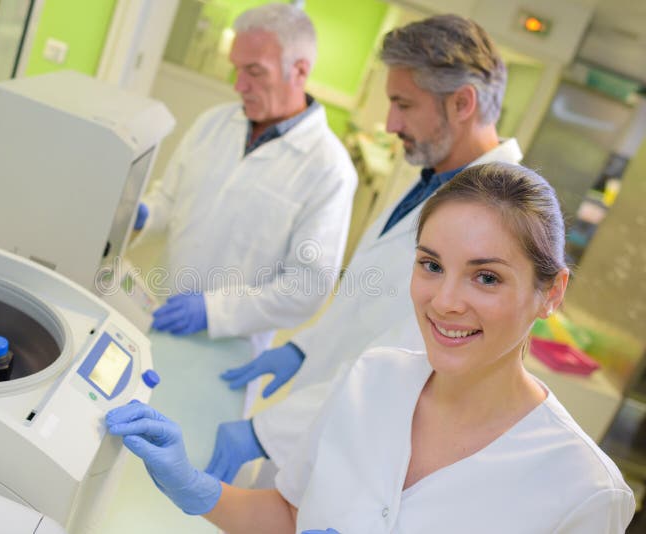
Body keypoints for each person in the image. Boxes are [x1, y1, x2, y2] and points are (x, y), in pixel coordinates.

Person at [107, 163, 635, 532]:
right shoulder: (371, 379)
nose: (445, 301)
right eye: (431, 265)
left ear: (551, 293)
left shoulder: (584, 491)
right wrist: (196, 488)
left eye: (487, 278)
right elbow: (290, 517)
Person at [206, 13, 525, 484]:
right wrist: (302, 347)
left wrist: (264, 431)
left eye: (403, 104)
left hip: (361, 445)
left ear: (462, 103)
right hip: (324, 415)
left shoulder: (493, 224)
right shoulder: (435, 181)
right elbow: (371, 301)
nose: (390, 122)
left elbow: (405, 361)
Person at [132, 3, 357, 353]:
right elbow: (169, 201)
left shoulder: (329, 168)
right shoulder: (213, 123)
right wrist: (141, 214)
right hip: (159, 312)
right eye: (236, 69)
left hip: (229, 344)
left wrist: (213, 310)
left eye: (254, 71)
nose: (239, 85)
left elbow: (308, 285)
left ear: (299, 71)